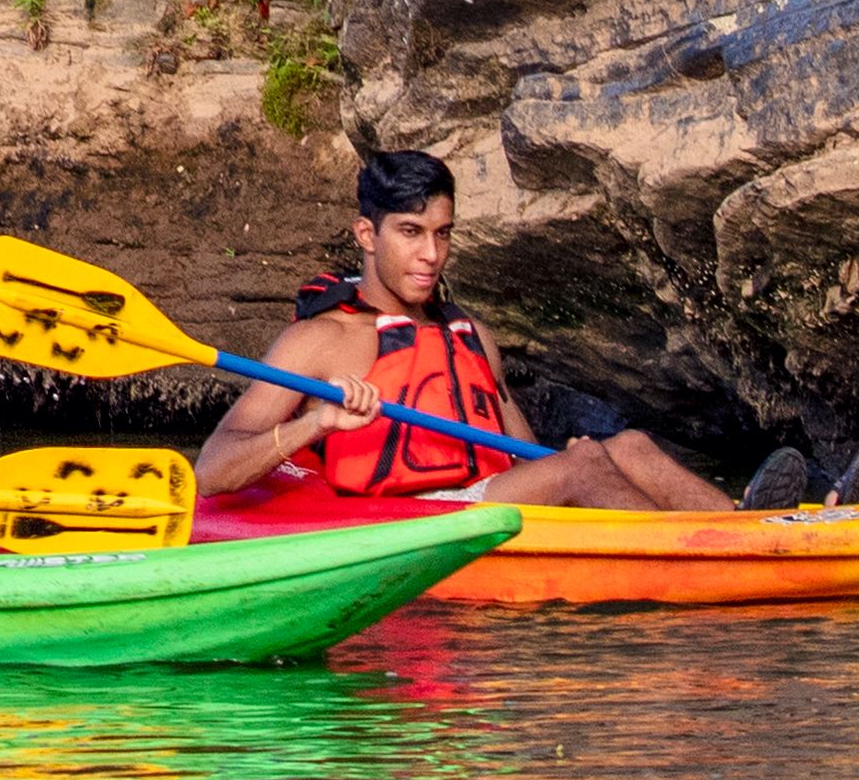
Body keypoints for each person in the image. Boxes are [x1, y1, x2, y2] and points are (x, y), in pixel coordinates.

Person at [197, 144, 738, 524]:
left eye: (442, 234)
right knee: (586, 464)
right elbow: (212, 471)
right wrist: (316, 423)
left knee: (631, 447)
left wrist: (572, 461)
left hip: (485, 499)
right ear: (367, 234)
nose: (431, 255)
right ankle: (706, 560)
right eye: (411, 233)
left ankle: (758, 528)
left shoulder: (468, 332)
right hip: (419, 521)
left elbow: (525, 454)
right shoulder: (319, 341)